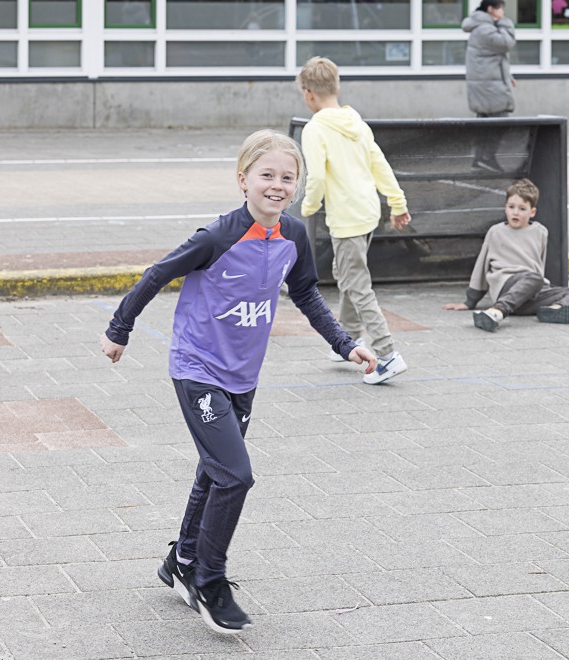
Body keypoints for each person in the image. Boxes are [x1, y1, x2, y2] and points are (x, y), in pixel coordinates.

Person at [99, 129, 377, 634]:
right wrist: (120, 329)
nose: (277, 185)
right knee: (235, 474)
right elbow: (158, 274)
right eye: (266, 175)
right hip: (197, 369)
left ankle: (181, 561)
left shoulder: (293, 236)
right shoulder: (218, 237)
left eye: (287, 177)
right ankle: (209, 581)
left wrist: (344, 343)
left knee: (214, 470)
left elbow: (307, 294)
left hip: (243, 376)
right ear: (243, 179)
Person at [296, 56, 412, 385]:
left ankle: (388, 355)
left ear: (308, 94)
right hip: (367, 213)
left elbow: (317, 177)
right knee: (347, 273)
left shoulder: (315, 128)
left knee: (357, 285)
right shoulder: (357, 123)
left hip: (346, 218)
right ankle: (347, 338)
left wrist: (308, 207)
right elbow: (380, 164)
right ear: (336, 87)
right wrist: (397, 203)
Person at [443, 178, 569, 330]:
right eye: (511, 207)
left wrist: (542, 288)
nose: (515, 212)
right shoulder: (496, 232)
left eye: (522, 209)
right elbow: (481, 266)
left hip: (531, 293)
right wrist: (470, 301)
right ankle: (497, 311)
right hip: (506, 288)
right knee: (534, 277)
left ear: (532, 212)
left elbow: (539, 263)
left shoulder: (541, 232)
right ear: (505, 208)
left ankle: (553, 310)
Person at [462, 0, 516, 173]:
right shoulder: (485, 29)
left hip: (487, 84)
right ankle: (486, 157)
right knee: (500, 121)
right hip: (488, 86)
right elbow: (506, 43)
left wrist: (508, 76)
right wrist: (505, 22)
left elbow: (493, 58)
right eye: (501, 8)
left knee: (485, 123)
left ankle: (480, 159)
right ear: (491, 9)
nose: (503, 12)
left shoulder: (483, 27)